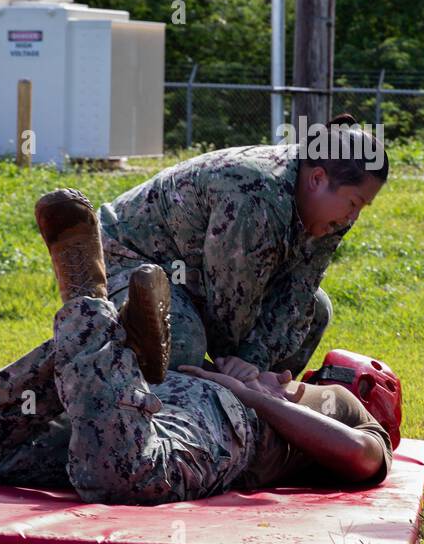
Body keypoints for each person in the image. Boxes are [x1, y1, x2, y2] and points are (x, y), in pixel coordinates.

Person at [0, 186, 394, 505]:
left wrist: (255, 393)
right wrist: (246, 384)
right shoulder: (301, 397)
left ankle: (106, 329)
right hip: (189, 407)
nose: (299, 377)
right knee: (120, 473)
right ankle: (101, 322)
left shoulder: (351, 412)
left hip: (194, 414)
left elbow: (358, 455)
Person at [98, 113, 388, 384]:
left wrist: (254, 364)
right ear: (317, 179)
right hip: (131, 260)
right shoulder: (257, 196)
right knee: (182, 341)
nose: (353, 218)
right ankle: (154, 410)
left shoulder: (330, 213)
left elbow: (300, 290)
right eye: (353, 203)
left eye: (362, 207)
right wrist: (241, 366)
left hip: (192, 274)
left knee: (316, 311)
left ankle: (248, 411)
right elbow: (230, 308)